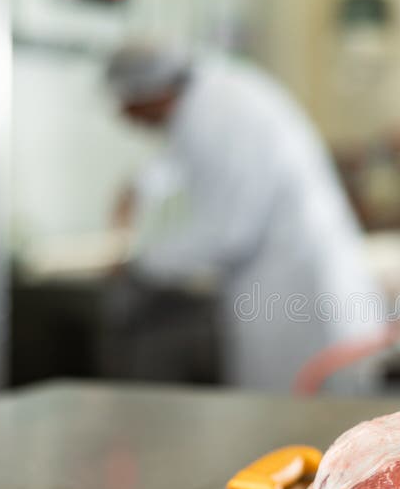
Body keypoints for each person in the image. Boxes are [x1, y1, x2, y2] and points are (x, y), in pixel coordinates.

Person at [105, 43, 381, 393]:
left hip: (290, 280)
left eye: (129, 106)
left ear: (149, 93)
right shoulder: (212, 95)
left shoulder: (215, 113)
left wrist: (142, 263)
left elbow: (228, 232)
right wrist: (139, 185)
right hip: (287, 272)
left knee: (294, 407)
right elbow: (181, 158)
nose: (126, 117)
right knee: (297, 409)